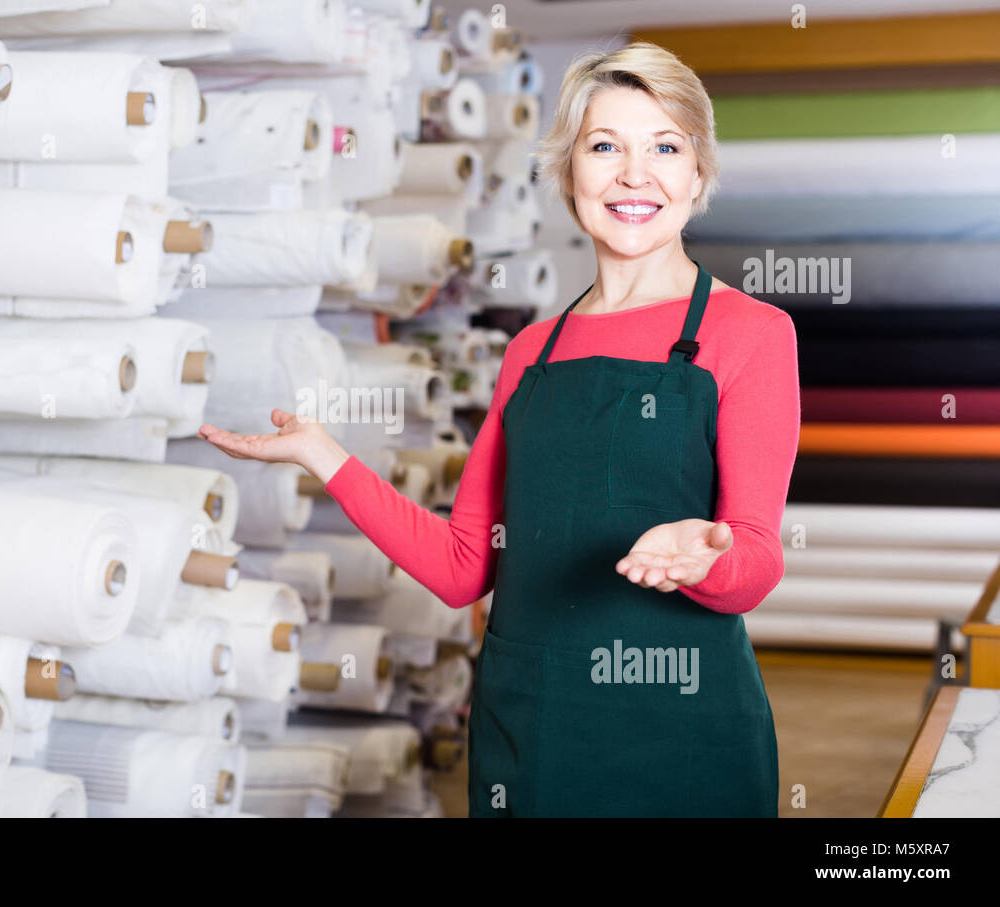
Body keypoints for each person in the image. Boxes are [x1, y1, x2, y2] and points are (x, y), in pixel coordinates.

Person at [198, 40, 799, 817]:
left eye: (665, 147)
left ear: (699, 174)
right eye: (604, 146)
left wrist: (708, 558)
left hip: (681, 733)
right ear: (567, 171)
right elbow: (462, 567)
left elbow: (756, 554)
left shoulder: (751, 333)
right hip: (533, 730)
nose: (634, 174)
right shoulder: (531, 352)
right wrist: (326, 456)